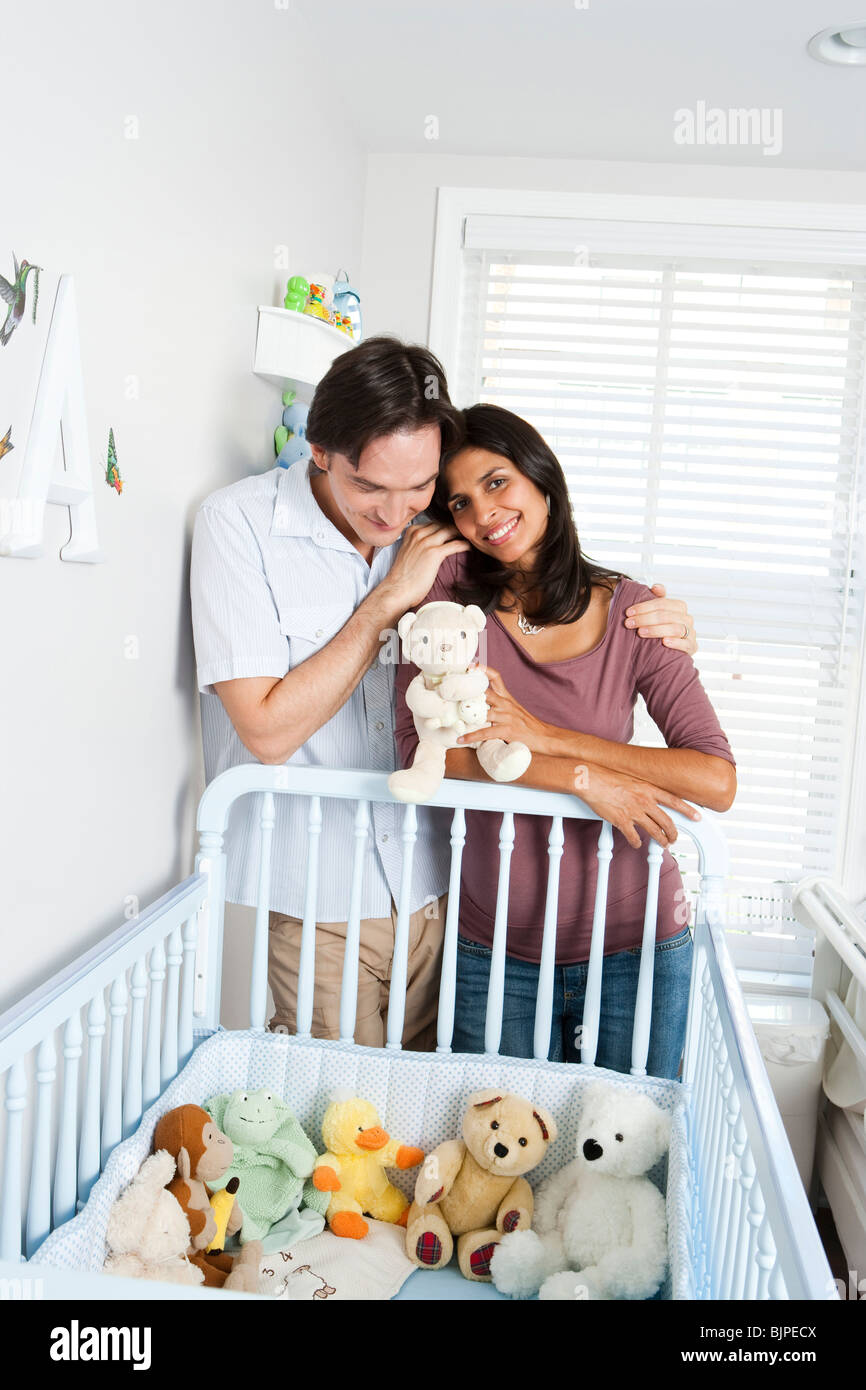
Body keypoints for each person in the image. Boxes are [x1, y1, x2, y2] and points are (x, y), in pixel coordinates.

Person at [190, 336, 701, 1051]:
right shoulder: (237, 525)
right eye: (371, 487)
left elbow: (542, 574)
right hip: (320, 890)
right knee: (340, 1115)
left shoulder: (440, 526)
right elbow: (268, 733)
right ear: (319, 450)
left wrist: (653, 614)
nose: (396, 514)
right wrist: (383, 606)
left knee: (433, 1119)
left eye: (420, 488)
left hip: (439, 882)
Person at [395, 403, 737, 1078]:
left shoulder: (635, 612)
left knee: (629, 1159)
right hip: (493, 948)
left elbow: (715, 780)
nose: (482, 514)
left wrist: (547, 737)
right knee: (499, 1164)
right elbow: (425, 752)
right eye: (460, 502)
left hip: (639, 945)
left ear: (542, 479)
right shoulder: (452, 608)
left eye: (497, 482)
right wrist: (578, 779)